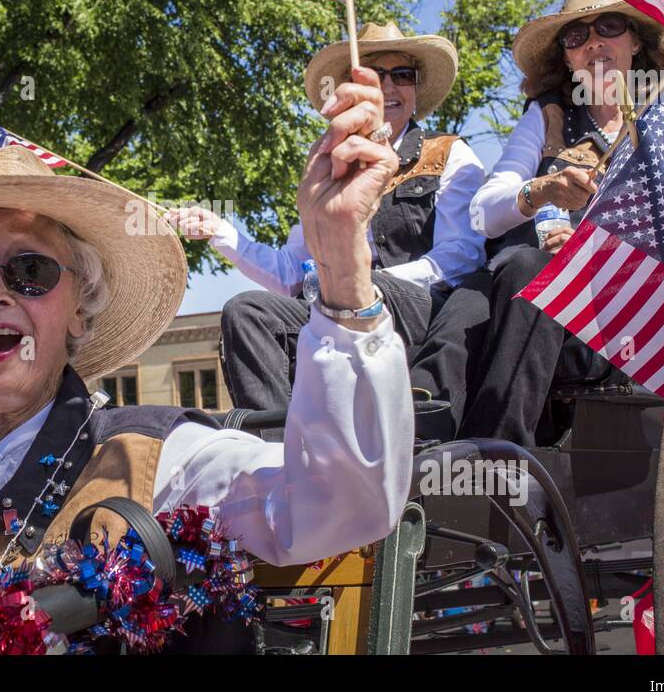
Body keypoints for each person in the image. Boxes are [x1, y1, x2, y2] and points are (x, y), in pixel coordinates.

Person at [0, 107, 414, 645]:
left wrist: (338, 263)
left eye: (29, 270)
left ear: (80, 306)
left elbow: (339, 504)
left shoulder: (160, 459)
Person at [408, 0, 664, 445]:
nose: (594, 42)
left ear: (634, 40)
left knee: (526, 271)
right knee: (498, 280)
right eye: (576, 37)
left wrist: (596, 245)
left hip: (639, 318)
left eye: (609, 27)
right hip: (552, 310)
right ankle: (439, 440)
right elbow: (482, 214)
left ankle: (492, 454)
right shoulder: (546, 118)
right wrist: (542, 191)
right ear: (568, 59)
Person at [167, 22, 485, 411]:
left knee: (350, 297)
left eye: (402, 74)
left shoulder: (449, 154)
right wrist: (221, 233)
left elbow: (462, 256)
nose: (387, 87)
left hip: (418, 307)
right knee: (245, 311)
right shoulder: (330, 163)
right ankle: (280, 447)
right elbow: (292, 272)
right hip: (331, 305)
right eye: (373, 76)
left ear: (416, 90)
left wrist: (363, 281)